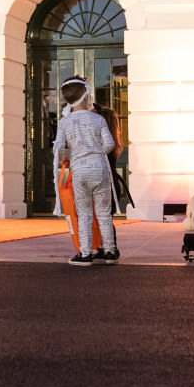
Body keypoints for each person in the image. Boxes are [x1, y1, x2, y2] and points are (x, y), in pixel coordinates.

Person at [52, 74, 119, 266]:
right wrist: (96, 152)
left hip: (80, 171)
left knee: (84, 214)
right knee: (104, 213)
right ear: (86, 96)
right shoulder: (98, 119)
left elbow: (58, 147)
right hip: (100, 169)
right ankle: (110, 251)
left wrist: (66, 157)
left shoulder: (64, 122)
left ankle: (85, 253)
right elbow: (109, 144)